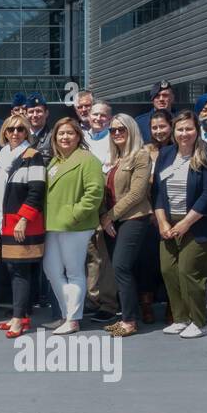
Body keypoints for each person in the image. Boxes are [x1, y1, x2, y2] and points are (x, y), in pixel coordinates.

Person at [153, 111, 207, 339]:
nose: (184, 134)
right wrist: (162, 221)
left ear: (197, 130)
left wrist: (185, 223)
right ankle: (181, 318)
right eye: (180, 129)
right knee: (168, 269)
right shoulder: (165, 154)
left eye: (189, 129)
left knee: (188, 271)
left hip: (199, 223)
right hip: (170, 222)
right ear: (174, 132)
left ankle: (200, 322)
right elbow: (157, 193)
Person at [0, 114, 46, 338]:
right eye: (10, 129)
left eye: (20, 129)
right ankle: (19, 316)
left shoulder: (33, 155)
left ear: (27, 132)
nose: (15, 133)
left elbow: (36, 191)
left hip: (22, 224)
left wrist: (23, 219)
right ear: (4, 132)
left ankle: (19, 319)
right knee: (12, 270)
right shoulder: (1, 156)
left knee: (20, 271)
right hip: (3, 223)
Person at [41, 117, 104, 335]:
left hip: (75, 225)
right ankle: (68, 313)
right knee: (51, 268)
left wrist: (74, 215)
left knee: (74, 271)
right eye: (61, 133)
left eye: (70, 133)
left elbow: (94, 192)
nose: (65, 137)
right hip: (52, 224)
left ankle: (73, 319)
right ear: (55, 137)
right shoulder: (55, 162)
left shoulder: (88, 160)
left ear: (78, 136)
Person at [99, 114, 152, 337]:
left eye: (122, 129)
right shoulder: (114, 159)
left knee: (121, 266)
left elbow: (137, 193)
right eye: (113, 130)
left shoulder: (140, 155)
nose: (117, 133)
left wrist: (109, 216)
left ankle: (129, 321)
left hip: (134, 218)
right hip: (113, 221)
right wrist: (105, 216)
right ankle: (126, 316)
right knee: (119, 269)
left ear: (131, 130)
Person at [81, 100, 119, 322]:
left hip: (109, 201)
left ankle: (108, 303)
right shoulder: (82, 139)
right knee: (91, 254)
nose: (98, 119)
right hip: (87, 202)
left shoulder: (114, 138)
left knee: (105, 256)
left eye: (103, 115)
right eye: (95, 115)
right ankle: (93, 300)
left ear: (110, 117)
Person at [139, 109, 175, 324]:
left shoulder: (179, 148)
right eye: (155, 127)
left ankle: (173, 305)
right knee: (147, 263)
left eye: (162, 126)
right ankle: (146, 305)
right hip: (149, 215)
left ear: (170, 126)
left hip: (175, 214)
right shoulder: (145, 150)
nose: (159, 131)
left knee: (171, 264)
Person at [24, 94, 53, 163]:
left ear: (46, 113)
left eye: (39, 111)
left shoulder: (53, 137)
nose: (35, 115)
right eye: (31, 112)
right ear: (25, 114)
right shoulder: (19, 136)